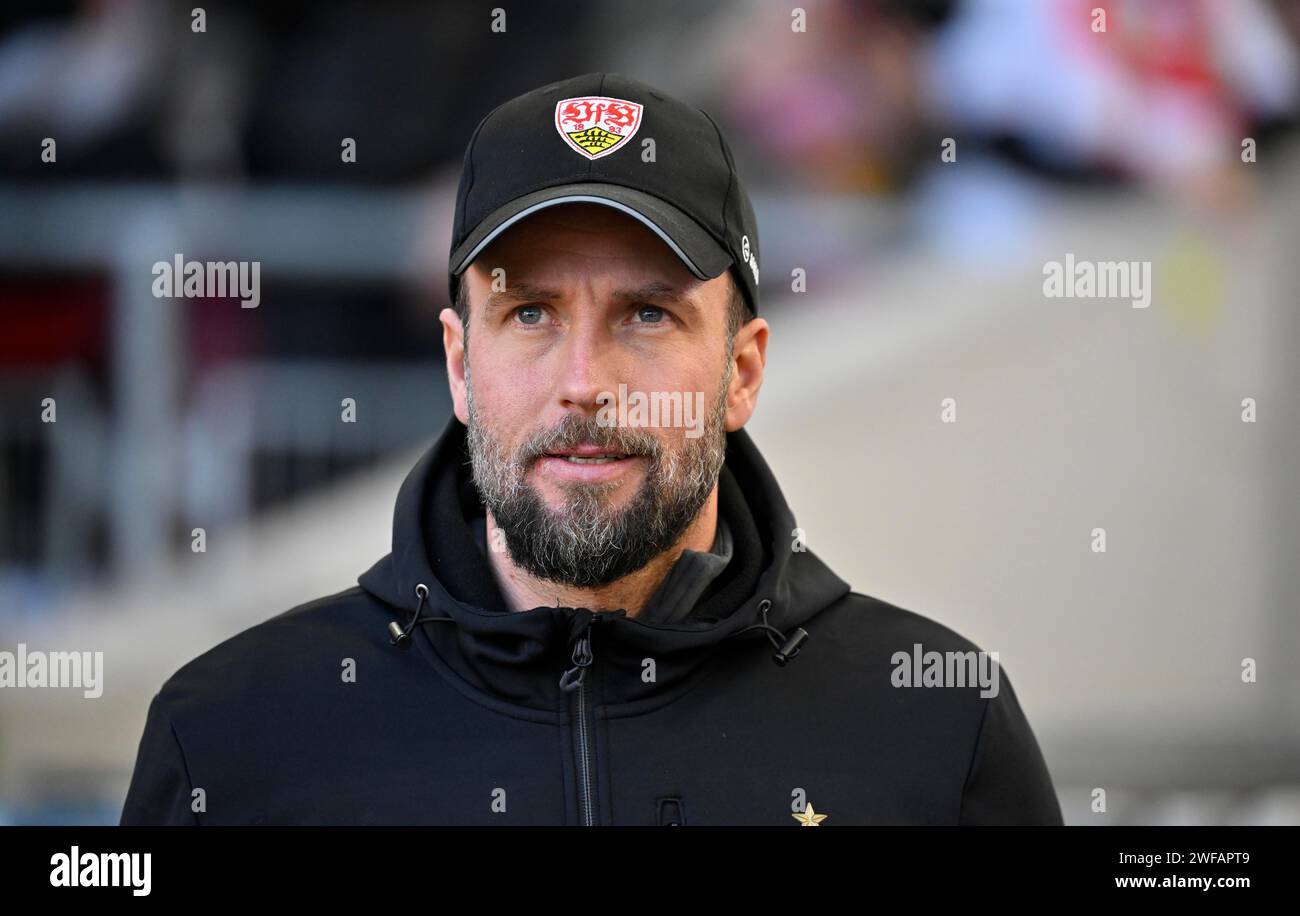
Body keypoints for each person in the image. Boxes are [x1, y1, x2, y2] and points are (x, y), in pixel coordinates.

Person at [120, 72, 1063, 826]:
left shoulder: (935, 726)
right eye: (530, 312)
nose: (584, 380)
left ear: (741, 372)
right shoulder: (235, 735)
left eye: (647, 314)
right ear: (459, 362)